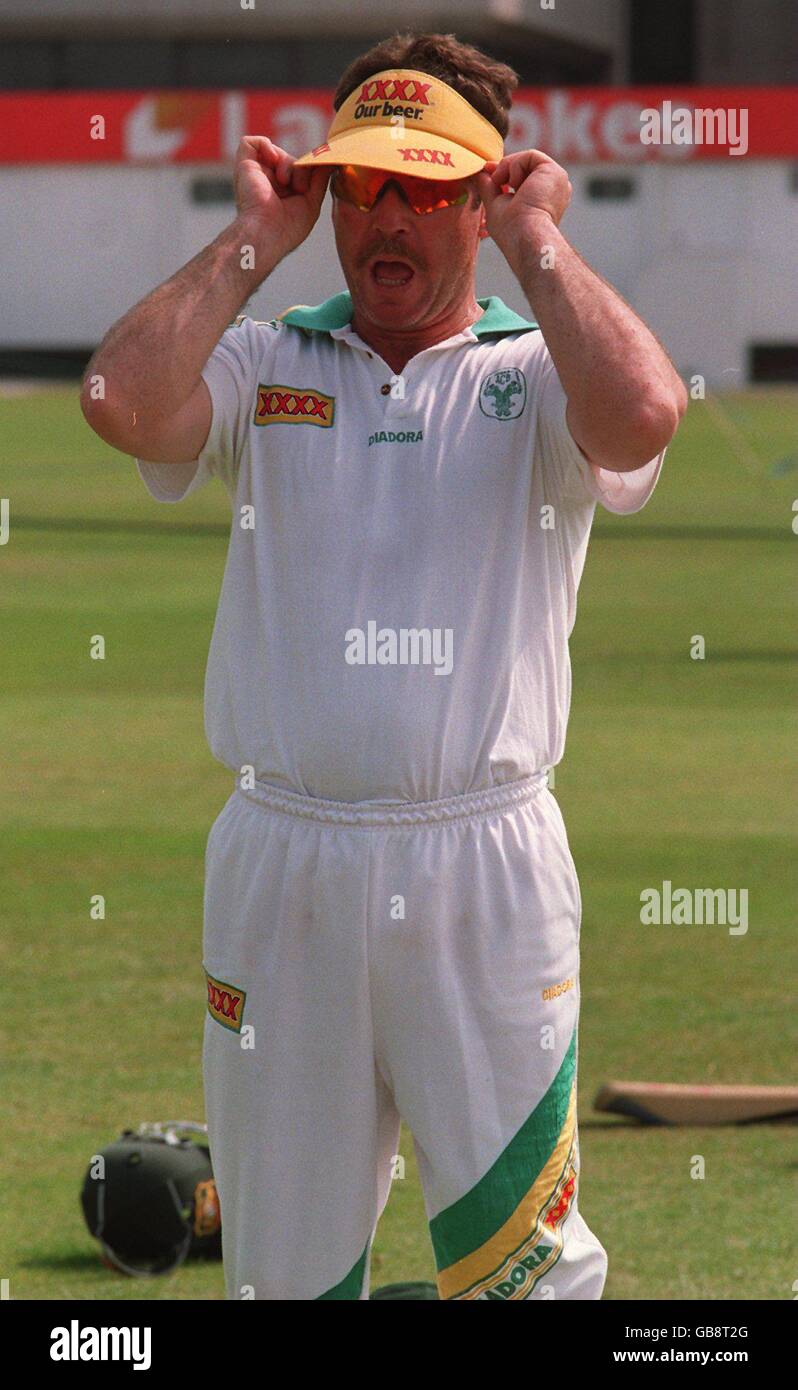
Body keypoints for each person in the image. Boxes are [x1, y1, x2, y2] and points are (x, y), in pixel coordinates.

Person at [81, 31, 687, 1300]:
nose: (386, 216)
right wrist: (255, 242)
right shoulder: (268, 360)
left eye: (423, 185)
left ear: (481, 198)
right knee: (282, 1272)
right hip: (283, 862)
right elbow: (119, 403)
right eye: (361, 184)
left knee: (526, 1270)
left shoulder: (536, 373)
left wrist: (538, 240)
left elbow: (642, 413)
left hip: (484, 867)